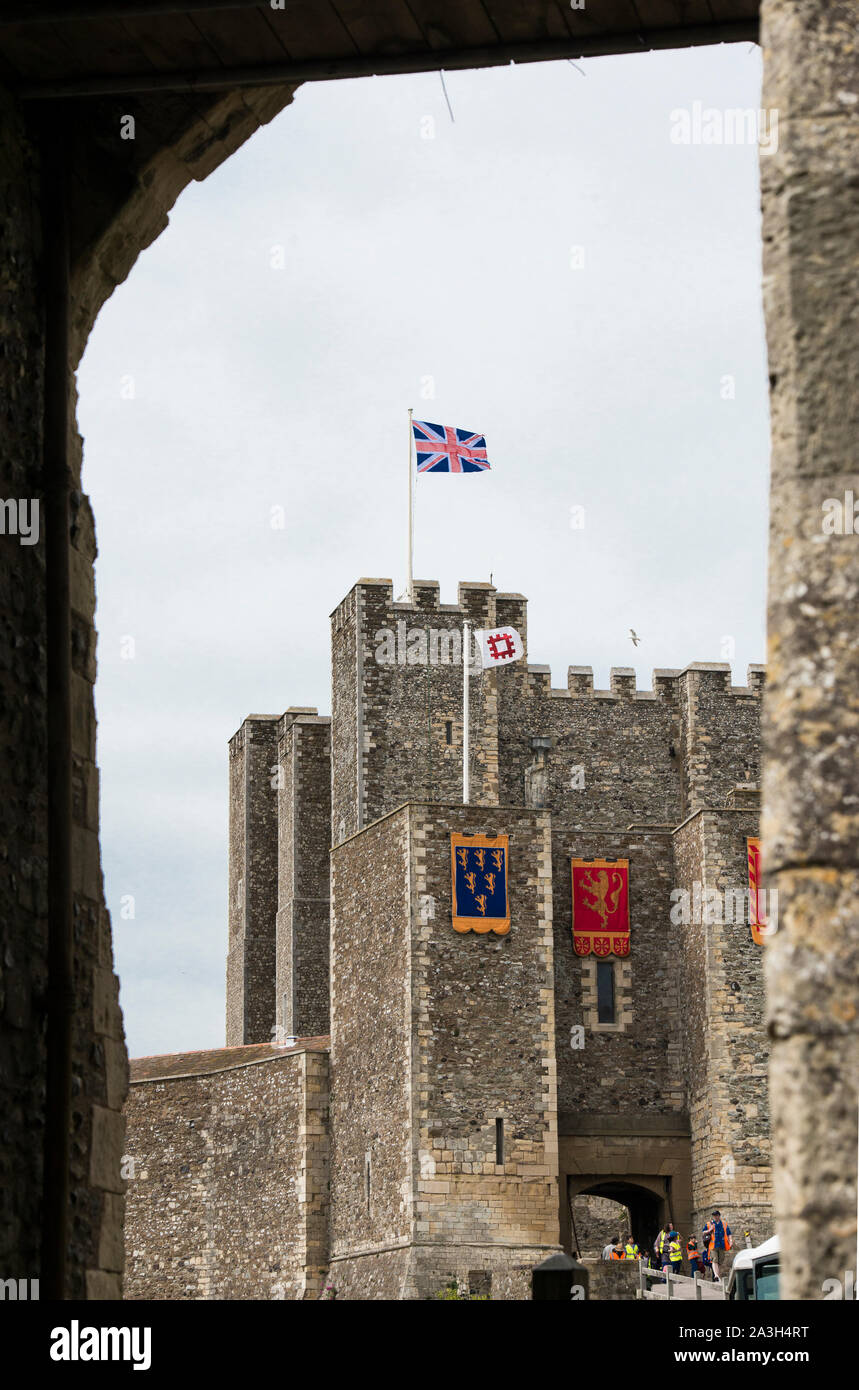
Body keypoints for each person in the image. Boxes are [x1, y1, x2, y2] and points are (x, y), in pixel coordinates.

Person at [703, 1209, 733, 1281]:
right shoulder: (709, 1224)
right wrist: (709, 1229)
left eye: (716, 1215)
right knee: (714, 1260)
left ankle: (718, 1276)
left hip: (722, 1245)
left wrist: (731, 1241)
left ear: (719, 1216)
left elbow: (729, 1233)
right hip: (713, 1246)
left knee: (720, 1261)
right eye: (714, 1216)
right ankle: (716, 1275)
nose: (715, 1217)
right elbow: (703, 1232)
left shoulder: (724, 1224)